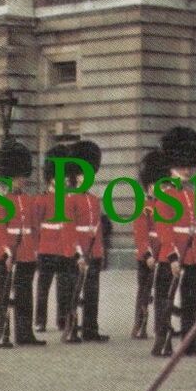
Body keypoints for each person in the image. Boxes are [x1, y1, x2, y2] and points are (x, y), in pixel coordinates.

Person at [152, 127, 196, 358]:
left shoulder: (190, 194)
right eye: (181, 166)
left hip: (190, 255)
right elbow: (163, 228)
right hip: (174, 257)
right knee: (165, 301)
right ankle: (162, 339)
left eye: (188, 166)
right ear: (171, 166)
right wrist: (172, 256)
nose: (187, 170)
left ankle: (191, 340)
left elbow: (194, 228)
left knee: (191, 301)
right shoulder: (165, 193)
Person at [0, 141, 43, 347]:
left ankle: (24, 333)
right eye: (16, 178)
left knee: (25, 296)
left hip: (27, 253)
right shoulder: (2, 202)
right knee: (4, 297)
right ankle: (1, 334)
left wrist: (36, 249)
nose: (20, 181)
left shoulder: (29, 201)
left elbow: (35, 227)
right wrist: (5, 251)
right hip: (9, 254)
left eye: (22, 177)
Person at [70, 140, 109, 343]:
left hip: (93, 250)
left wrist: (99, 253)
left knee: (92, 293)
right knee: (75, 293)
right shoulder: (70, 199)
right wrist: (78, 254)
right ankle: (71, 328)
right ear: (77, 177)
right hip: (79, 252)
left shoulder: (94, 199)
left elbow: (98, 229)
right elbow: (70, 229)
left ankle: (90, 329)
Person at [34, 145, 71, 335]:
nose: (65, 179)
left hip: (64, 248)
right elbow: (36, 224)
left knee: (64, 289)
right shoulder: (41, 200)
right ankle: (40, 321)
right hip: (46, 248)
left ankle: (62, 320)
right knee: (43, 288)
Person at [131, 151, 168, 340]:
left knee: (163, 293)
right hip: (148, 257)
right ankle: (140, 324)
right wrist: (147, 255)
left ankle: (161, 325)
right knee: (145, 292)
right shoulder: (143, 205)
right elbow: (140, 233)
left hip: (163, 254)